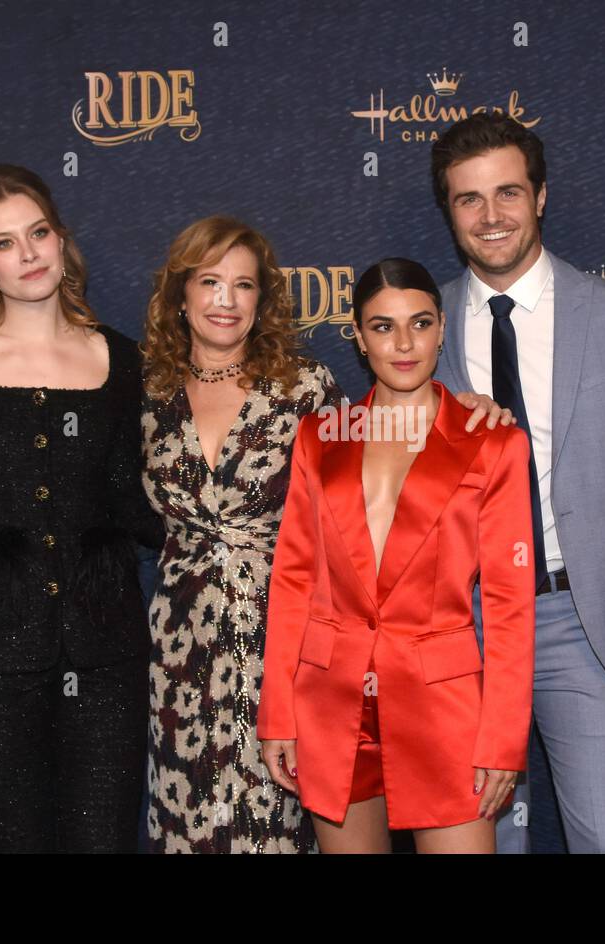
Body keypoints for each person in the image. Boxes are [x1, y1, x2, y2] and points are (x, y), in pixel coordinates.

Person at [141, 217, 508, 853]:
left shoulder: (308, 398)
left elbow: (505, 600)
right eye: (209, 281)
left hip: (380, 682)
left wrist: (500, 735)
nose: (227, 299)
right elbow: (299, 569)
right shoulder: (145, 392)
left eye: (244, 284)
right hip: (212, 659)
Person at [428, 112, 605, 853]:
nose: (491, 215)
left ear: (541, 197)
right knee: (482, 841)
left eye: (508, 192)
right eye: (469, 199)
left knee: (603, 835)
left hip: (586, 619)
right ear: (448, 210)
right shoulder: (419, 326)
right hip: (463, 624)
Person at [258, 258, 535, 853]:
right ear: (357, 337)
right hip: (332, 703)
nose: (404, 344)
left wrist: (502, 739)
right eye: (383, 327)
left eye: (420, 323)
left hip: (443, 707)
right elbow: (293, 582)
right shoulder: (319, 438)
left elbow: (511, 605)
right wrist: (278, 712)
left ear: (442, 329)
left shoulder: (494, 443)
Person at [0, 165, 159, 852]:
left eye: (38, 233)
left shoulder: (120, 359)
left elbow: (137, 493)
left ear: (62, 239)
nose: (27, 255)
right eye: (3, 243)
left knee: (102, 841)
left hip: (107, 655)